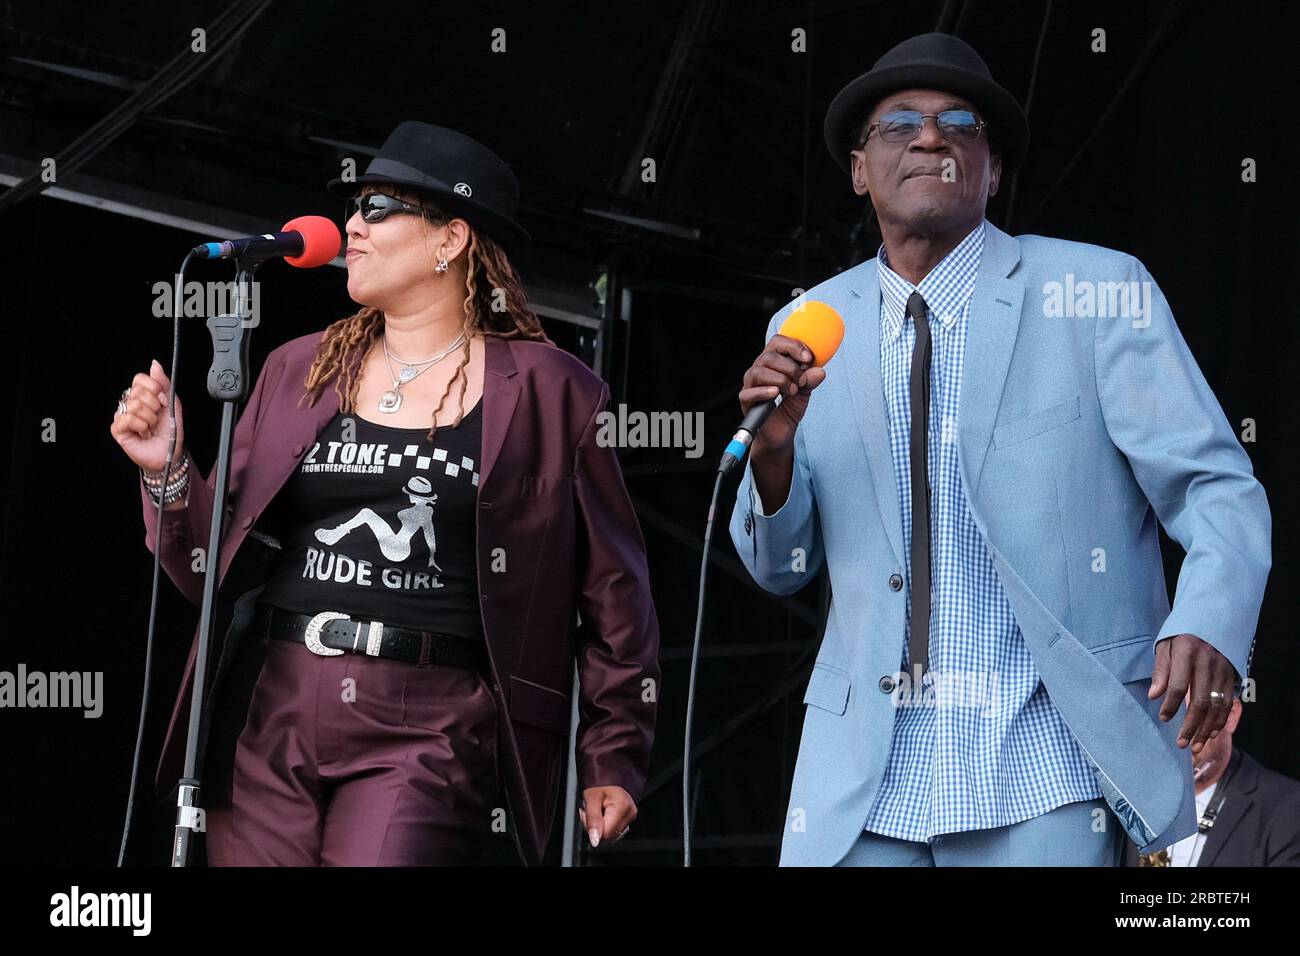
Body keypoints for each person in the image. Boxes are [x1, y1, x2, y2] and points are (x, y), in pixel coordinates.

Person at [729, 33, 1271, 866]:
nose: (930, 138)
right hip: (864, 776)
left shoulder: (1095, 293)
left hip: (1044, 759)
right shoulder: (806, 328)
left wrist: (1210, 621)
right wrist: (771, 456)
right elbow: (782, 568)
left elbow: (1214, 486)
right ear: (858, 169)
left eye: (960, 124)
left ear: (994, 169)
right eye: (899, 124)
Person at [111, 121, 660, 866]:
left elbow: (614, 593)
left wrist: (614, 750)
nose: (351, 227)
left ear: (451, 239)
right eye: (352, 208)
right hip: (270, 700)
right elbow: (212, 570)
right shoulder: (297, 368)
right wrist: (169, 471)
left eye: (377, 208)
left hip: (429, 718)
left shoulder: (550, 390)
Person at [1125, 695, 1300, 866]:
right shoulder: (1127, 794)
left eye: (1188, 715)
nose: (1175, 734)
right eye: (1163, 717)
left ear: (1230, 715)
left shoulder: (1288, 807)